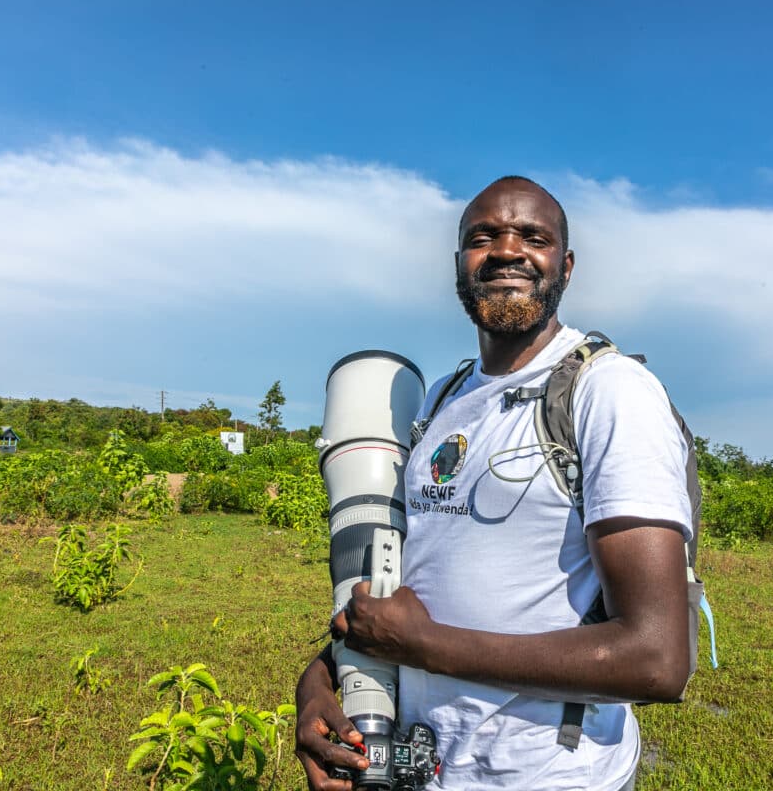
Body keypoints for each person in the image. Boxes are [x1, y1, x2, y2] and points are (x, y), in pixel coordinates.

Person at [296, 176, 693, 790]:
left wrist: (425, 646)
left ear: (566, 264)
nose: (507, 250)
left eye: (533, 236)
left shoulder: (608, 392)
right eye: (484, 237)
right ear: (459, 263)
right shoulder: (445, 399)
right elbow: (414, 584)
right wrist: (319, 680)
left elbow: (658, 659)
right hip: (430, 769)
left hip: (548, 775)